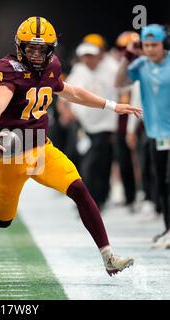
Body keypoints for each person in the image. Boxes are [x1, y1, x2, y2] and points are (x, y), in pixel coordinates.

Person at [0, 17, 141, 275]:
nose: (36, 54)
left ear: (51, 49)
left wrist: (112, 106)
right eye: (31, 48)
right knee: (2, 220)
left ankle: (108, 256)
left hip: (40, 150)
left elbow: (71, 91)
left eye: (42, 48)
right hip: (8, 156)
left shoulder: (52, 67)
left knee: (79, 188)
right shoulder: (8, 69)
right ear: (20, 46)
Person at [115, 24, 170, 248]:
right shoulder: (141, 65)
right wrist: (128, 54)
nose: (150, 49)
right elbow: (119, 83)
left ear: (164, 44)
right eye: (146, 45)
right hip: (156, 133)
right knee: (162, 184)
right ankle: (167, 228)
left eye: (154, 45)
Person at [57, 40, 119, 210]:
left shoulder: (112, 69)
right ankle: (89, 200)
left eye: (91, 55)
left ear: (99, 55)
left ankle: (99, 198)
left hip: (105, 125)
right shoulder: (79, 71)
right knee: (84, 161)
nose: (87, 59)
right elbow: (65, 94)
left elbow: (122, 92)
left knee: (101, 163)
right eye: (84, 56)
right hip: (83, 125)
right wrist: (66, 112)